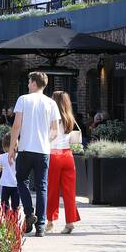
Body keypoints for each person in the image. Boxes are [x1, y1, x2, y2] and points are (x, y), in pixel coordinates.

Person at [11, 71, 60, 237]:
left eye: (29, 81)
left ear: (33, 83)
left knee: (21, 181)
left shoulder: (23, 99)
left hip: (25, 149)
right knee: (42, 187)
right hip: (43, 150)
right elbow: (55, 130)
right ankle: (40, 225)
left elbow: (16, 125)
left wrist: (12, 147)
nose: (27, 84)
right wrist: (46, 141)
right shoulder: (51, 103)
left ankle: (29, 213)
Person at [46, 90, 83, 234]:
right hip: (68, 155)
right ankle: (70, 222)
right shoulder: (69, 117)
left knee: (52, 190)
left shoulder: (51, 117)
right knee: (69, 192)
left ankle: (50, 222)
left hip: (54, 154)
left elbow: (48, 136)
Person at [0, 134, 20, 214]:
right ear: (15, 145)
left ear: (4, 146)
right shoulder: (18, 156)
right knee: (15, 204)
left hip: (5, 184)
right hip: (16, 184)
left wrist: (0, 167)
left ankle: (7, 218)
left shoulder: (2, 157)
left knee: (4, 202)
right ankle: (14, 219)